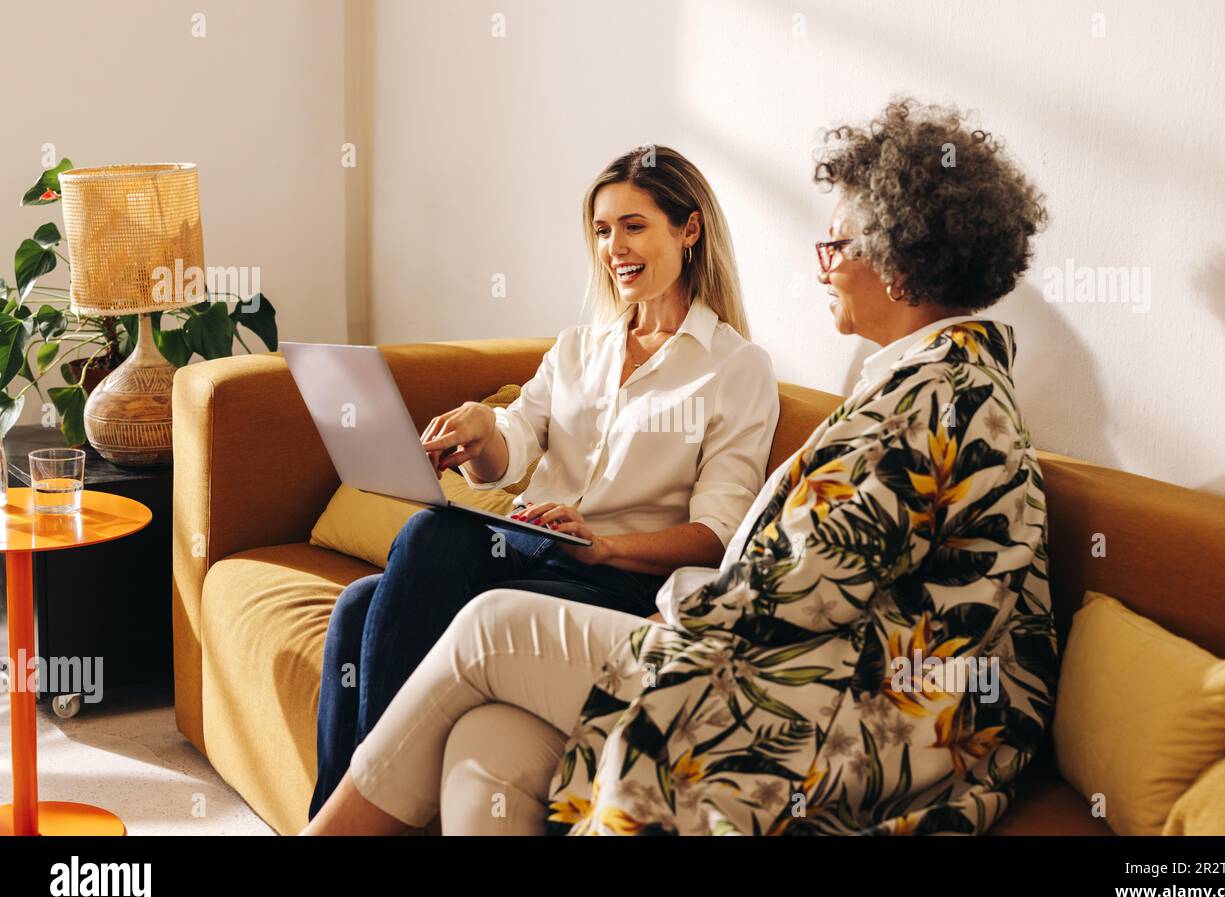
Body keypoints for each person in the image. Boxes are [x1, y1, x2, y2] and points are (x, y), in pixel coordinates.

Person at [302, 97, 1057, 836]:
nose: (821, 267)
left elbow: (783, 586)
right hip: (758, 643)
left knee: (471, 598)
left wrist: (653, 582)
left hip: (820, 695)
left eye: (834, 247)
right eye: (602, 229)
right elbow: (812, 572)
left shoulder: (923, 398)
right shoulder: (924, 385)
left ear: (899, 263)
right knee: (477, 721)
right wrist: (485, 429)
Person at [306, 145, 781, 820]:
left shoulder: (736, 368)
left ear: (689, 229)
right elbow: (510, 449)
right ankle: (335, 815)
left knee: (432, 536)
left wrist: (608, 547)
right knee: (358, 605)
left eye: (633, 225)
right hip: (530, 547)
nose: (614, 246)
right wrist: (478, 430)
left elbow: (719, 536)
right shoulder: (578, 348)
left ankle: (355, 824)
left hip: (617, 579)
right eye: (602, 230)